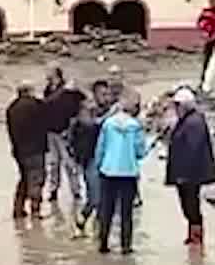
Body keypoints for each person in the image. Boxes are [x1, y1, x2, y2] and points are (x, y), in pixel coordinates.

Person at [92, 93, 150, 254]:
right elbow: (140, 152)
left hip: (108, 171)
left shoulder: (108, 124)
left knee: (106, 209)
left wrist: (98, 165)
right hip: (128, 173)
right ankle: (126, 246)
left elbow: (100, 148)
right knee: (126, 212)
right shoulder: (135, 126)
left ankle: (103, 244)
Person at [165, 87, 215, 247]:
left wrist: (183, 174)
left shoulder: (194, 123)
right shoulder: (188, 120)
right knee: (189, 205)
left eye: (178, 105)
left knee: (191, 205)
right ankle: (193, 236)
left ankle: (196, 238)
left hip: (190, 174)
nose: (176, 109)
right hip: (186, 173)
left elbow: (192, 150)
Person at [42, 67, 87, 210]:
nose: (46, 75)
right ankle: (53, 190)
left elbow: (82, 102)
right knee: (53, 163)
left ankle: (76, 191)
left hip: (65, 132)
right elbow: (46, 105)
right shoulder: (48, 89)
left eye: (49, 72)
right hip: (51, 131)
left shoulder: (70, 90)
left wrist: (73, 125)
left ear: (56, 75)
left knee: (69, 164)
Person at [4, 84, 48, 220]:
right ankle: (35, 210)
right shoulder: (35, 105)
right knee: (36, 179)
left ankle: (18, 209)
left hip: (19, 150)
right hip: (35, 149)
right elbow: (48, 116)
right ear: (29, 92)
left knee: (24, 179)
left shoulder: (12, 108)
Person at [68, 96, 103, 233]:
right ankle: (83, 218)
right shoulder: (82, 127)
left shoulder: (92, 125)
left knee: (98, 197)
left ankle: (97, 227)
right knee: (95, 197)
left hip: (95, 162)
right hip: (89, 162)